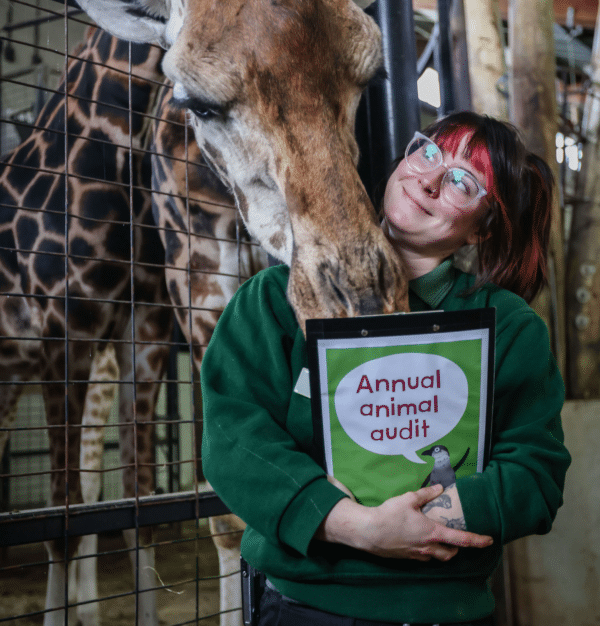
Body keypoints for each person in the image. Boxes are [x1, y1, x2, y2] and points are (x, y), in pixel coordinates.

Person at [201, 111, 571, 626]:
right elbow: (235, 438)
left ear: (480, 231)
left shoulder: (509, 328)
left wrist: (428, 522)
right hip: (301, 607)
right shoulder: (275, 299)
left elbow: (536, 472)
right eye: (429, 152)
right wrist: (353, 525)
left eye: (464, 182)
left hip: (444, 610)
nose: (430, 179)